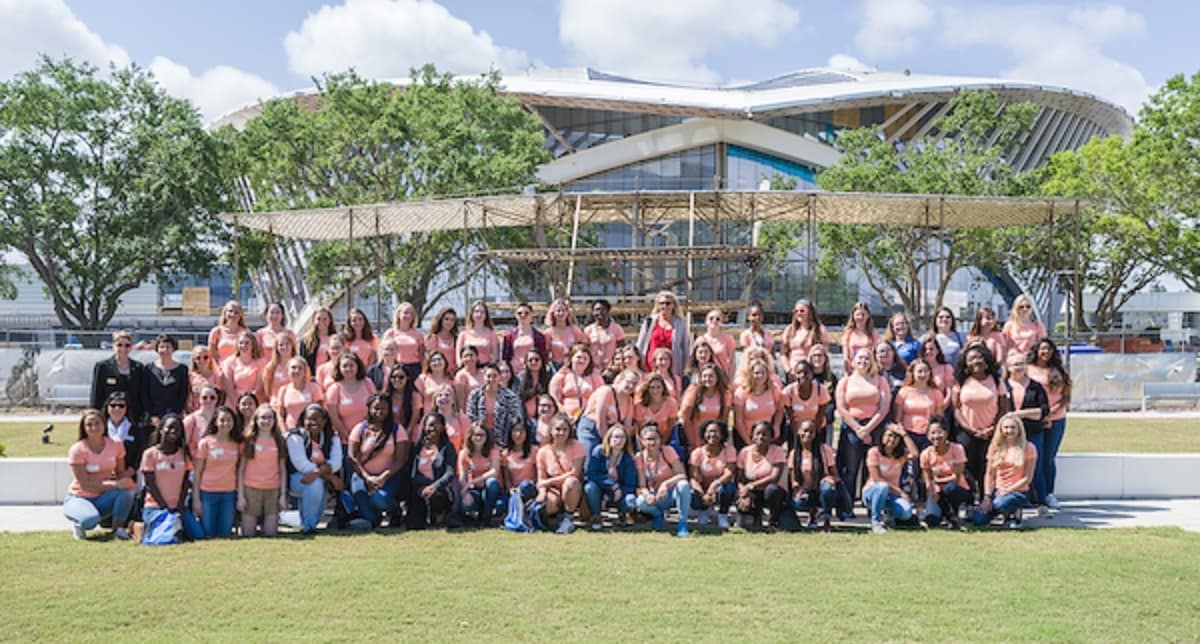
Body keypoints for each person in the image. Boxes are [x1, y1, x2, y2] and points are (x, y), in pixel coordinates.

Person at [64, 409, 136, 540]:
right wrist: (116, 484)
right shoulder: (77, 449)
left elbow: (120, 473)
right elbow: (85, 485)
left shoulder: (116, 445)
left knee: (127, 491)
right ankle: (79, 523)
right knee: (90, 520)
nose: (94, 427)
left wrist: (127, 480)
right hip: (80, 497)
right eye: (89, 425)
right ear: (83, 428)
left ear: (104, 424)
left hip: (103, 497)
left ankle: (118, 529)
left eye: (97, 423)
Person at [835, 348, 891, 501]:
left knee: (871, 466)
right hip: (852, 427)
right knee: (850, 467)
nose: (863, 361)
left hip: (874, 426)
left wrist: (868, 429)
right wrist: (858, 429)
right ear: (853, 362)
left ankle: (870, 501)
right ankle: (847, 503)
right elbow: (841, 408)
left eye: (867, 358)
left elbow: (884, 408)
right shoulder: (845, 381)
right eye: (859, 358)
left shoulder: (880, 380)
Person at [952, 344, 1004, 500]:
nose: (976, 361)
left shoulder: (996, 381)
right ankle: (968, 500)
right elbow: (956, 409)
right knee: (967, 467)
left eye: (979, 357)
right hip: (966, 432)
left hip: (991, 433)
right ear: (966, 363)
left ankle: (985, 500)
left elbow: (1003, 407)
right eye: (971, 359)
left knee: (986, 467)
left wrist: (993, 428)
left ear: (986, 360)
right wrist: (970, 429)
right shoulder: (961, 382)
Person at [140, 413, 202, 541]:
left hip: (178, 507)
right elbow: (150, 484)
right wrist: (165, 507)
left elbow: (185, 483)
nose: (173, 431)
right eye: (170, 427)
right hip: (156, 506)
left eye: (177, 429)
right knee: (167, 537)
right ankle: (139, 528)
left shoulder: (184, 454)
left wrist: (179, 506)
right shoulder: (150, 454)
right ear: (161, 429)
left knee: (198, 535)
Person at [1026, 338, 1070, 510]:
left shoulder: (1058, 370)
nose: (1046, 352)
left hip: (1056, 419)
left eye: (1049, 349)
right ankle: (1035, 495)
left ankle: (1049, 494)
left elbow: (1065, 396)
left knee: (1048, 459)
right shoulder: (1028, 369)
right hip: (1034, 419)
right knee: (1035, 458)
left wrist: (1050, 414)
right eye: (1042, 349)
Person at [286, 404, 344, 534]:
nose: (314, 422)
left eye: (318, 418)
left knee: (317, 484)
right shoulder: (295, 436)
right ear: (303, 420)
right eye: (310, 419)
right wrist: (329, 476)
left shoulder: (332, 437)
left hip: (317, 478)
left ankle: (288, 518)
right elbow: (301, 464)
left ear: (325, 420)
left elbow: (336, 462)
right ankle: (308, 528)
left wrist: (318, 473)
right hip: (297, 478)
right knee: (316, 483)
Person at [973, 413, 1038, 529]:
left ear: (1019, 429)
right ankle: (1001, 512)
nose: (1009, 431)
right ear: (1001, 429)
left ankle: (1013, 514)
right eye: (1006, 427)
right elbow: (989, 474)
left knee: (999, 503)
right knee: (978, 520)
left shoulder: (1029, 447)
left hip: (1018, 491)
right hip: (997, 490)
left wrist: (1007, 490)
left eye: (1013, 427)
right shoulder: (995, 447)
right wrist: (987, 497)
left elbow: (1027, 478)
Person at [633, 422, 692, 537]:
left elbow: (682, 475)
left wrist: (666, 484)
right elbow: (642, 485)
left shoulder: (667, 451)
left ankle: (682, 523)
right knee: (640, 502)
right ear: (642, 441)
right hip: (655, 495)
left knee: (683, 485)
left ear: (660, 440)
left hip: (671, 493)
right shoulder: (639, 457)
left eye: (655, 438)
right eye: (649, 439)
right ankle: (657, 515)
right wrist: (647, 495)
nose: (652, 442)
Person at [192, 406, 243, 539]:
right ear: (215, 422)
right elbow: (197, 473)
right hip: (207, 493)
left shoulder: (237, 444)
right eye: (222, 420)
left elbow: (240, 471)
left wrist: (240, 495)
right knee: (208, 533)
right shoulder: (205, 443)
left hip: (229, 494)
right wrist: (196, 499)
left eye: (229, 420)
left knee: (224, 534)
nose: (226, 423)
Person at [238, 404, 287, 537]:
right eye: (263, 417)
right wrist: (241, 496)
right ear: (256, 420)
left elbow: (282, 470)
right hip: (251, 488)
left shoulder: (279, 440)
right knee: (248, 534)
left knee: (271, 533)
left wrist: (283, 495)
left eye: (270, 417)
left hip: (273, 489)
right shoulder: (249, 440)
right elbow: (241, 469)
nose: (266, 421)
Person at [789, 419, 845, 532]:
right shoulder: (794, 453)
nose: (808, 434)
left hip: (823, 490)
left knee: (827, 489)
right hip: (807, 492)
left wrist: (830, 479)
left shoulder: (824, 450)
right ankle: (812, 514)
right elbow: (793, 480)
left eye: (811, 432)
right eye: (805, 431)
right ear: (798, 432)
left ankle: (826, 520)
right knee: (798, 503)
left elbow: (835, 474)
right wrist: (798, 490)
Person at [536, 413, 586, 534]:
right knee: (548, 504)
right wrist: (542, 494)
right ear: (551, 431)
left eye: (565, 429)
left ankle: (568, 518)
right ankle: (556, 518)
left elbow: (575, 473)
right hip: (554, 490)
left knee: (571, 482)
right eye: (558, 429)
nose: (561, 433)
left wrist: (548, 481)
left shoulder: (577, 446)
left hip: (573, 488)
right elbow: (541, 479)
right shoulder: (543, 451)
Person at [735, 421, 790, 531]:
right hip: (751, 493)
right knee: (744, 523)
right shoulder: (744, 452)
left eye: (765, 434)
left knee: (772, 490)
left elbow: (774, 477)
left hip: (769, 492)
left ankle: (773, 520)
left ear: (771, 437)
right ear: (752, 436)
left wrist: (751, 486)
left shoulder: (778, 451)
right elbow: (739, 478)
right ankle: (756, 516)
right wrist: (743, 493)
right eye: (758, 434)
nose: (761, 437)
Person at [406, 412, 457, 530]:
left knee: (436, 497)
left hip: (440, 489)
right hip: (420, 487)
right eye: (429, 425)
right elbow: (412, 473)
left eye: (436, 424)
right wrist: (425, 485)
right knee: (414, 525)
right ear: (424, 427)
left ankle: (440, 515)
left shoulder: (448, 447)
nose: (432, 428)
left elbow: (449, 473)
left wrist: (434, 486)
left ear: (443, 427)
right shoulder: (417, 448)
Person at [582, 423, 636, 530]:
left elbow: (630, 484)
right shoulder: (599, 451)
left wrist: (615, 492)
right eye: (616, 437)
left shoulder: (628, 458)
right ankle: (597, 516)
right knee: (589, 487)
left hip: (619, 493)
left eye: (622, 437)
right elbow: (592, 474)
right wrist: (612, 485)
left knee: (631, 500)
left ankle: (622, 515)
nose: (619, 440)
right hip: (601, 490)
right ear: (609, 438)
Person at [863, 425, 915, 534]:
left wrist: (904, 434)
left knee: (906, 513)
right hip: (873, 492)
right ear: (882, 436)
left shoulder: (900, 455)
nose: (892, 439)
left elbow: (915, 454)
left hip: (892, 495)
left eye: (896, 437)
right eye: (889, 435)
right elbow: (877, 479)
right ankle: (876, 522)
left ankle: (889, 516)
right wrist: (900, 492)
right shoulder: (874, 452)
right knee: (883, 486)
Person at [575, 368, 638, 458]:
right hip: (592, 428)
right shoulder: (606, 392)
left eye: (634, 384)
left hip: (612, 432)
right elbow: (600, 421)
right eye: (628, 382)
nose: (631, 386)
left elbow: (627, 427)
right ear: (620, 379)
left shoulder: (629, 401)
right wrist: (607, 442)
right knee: (590, 455)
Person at [920, 420, 971, 529]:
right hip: (937, 491)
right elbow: (927, 478)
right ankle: (947, 517)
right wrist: (931, 491)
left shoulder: (957, 449)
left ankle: (956, 516)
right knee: (931, 520)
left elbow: (956, 477)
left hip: (957, 489)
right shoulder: (925, 454)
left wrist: (936, 482)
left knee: (950, 488)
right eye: (932, 433)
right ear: (928, 436)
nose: (936, 436)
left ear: (946, 433)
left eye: (939, 432)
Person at [90, 329, 146, 427]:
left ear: (131, 347)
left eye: (127, 345)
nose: (123, 348)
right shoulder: (103, 367)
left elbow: (142, 394)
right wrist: (95, 415)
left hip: (133, 418)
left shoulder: (138, 367)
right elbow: (96, 394)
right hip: (109, 418)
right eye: (119, 345)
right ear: (113, 346)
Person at [687, 419, 736, 529]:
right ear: (704, 434)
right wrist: (703, 495)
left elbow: (729, 473)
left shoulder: (729, 450)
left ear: (722, 434)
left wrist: (714, 485)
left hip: (720, 486)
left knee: (729, 488)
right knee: (693, 493)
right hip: (703, 487)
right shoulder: (697, 452)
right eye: (709, 431)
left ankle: (723, 515)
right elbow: (693, 478)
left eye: (716, 431)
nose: (712, 435)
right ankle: (703, 511)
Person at [893, 358, 946, 453]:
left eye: (926, 371)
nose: (923, 374)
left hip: (928, 435)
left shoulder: (936, 393)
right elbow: (898, 418)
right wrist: (903, 435)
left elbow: (939, 419)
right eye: (920, 371)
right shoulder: (903, 392)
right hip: (908, 434)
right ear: (912, 373)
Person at [677, 363, 731, 455]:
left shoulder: (724, 394)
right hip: (694, 435)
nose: (707, 379)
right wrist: (692, 442)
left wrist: (720, 441)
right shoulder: (693, 391)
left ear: (717, 377)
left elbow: (724, 420)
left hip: (713, 437)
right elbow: (686, 418)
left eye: (711, 376)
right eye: (704, 376)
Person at [467, 363, 524, 448]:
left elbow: (515, 419)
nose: (491, 379)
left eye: (494, 376)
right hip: (480, 440)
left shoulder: (510, 396)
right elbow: (471, 417)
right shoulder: (475, 395)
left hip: (503, 440)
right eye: (488, 376)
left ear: (499, 377)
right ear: (483, 377)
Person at [636, 291, 690, 379]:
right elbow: (640, 344)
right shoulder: (649, 321)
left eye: (668, 303)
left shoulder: (680, 324)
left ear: (673, 305)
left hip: (672, 369)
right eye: (661, 303)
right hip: (650, 368)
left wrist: (686, 368)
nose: (664, 306)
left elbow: (685, 348)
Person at [457, 422, 502, 526]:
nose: (479, 438)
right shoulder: (464, 453)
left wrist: (472, 481)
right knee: (465, 504)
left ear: (487, 437)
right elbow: (462, 475)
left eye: (482, 435)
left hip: (491, 490)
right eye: (476, 434)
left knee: (491, 482)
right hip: (475, 489)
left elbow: (494, 472)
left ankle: (486, 518)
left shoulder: (493, 450)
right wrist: (465, 492)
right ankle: (475, 517)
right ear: (471, 436)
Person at [325, 352, 376, 443]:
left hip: (369, 438)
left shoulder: (367, 383)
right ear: (339, 368)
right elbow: (334, 418)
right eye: (344, 366)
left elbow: (376, 406)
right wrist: (349, 437)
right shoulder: (334, 389)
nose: (348, 369)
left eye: (351, 365)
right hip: (346, 440)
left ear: (357, 366)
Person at [732, 359, 785, 448]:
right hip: (747, 437)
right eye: (756, 373)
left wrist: (776, 426)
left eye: (763, 373)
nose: (760, 376)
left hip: (767, 437)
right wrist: (748, 441)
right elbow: (738, 420)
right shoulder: (741, 392)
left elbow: (779, 410)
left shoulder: (774, 390)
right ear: (751, 374)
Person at [548, 343, 604, 419]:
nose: (582, 360)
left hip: (588, 417)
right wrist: (564, 414)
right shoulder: (561, 375)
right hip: (565, 417)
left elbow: (601, 399)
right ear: (571, 358)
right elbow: (554, 399)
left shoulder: (595, 377)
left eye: (585, 358)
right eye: (579, 357)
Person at [782, 359, 832, 446]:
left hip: (817, 430)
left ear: (812, 374)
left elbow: (820, 417)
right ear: (794, 374)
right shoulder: (788, 392)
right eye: (799, 372)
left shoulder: (821, 390)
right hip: (796, 430)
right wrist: (799, 436)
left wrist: (812, 435)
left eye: (806, 373)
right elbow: (791, 418)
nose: (802, 375)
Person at [143, 333, 189, 422]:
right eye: (161, 347)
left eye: (168, 347)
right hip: (153, 417)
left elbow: (183, 393)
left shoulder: (182, 369)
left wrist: (176, 414)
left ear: (173, 349)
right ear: (157, 349)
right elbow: (145, 393)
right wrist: (152, 415)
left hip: (174, 416)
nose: (165, 350)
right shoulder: (148, 368)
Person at [272, 357, 324, 430]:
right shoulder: (283, 390)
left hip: (310, 431)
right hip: (290, 431)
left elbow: (320, 412)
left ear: (304, 372)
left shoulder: (314, 388)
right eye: (293, 367)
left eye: (300, 368)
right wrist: (284, 432)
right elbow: (280, 415)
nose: (296, 370)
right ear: (288, 370)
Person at [103, 391, 145, 476]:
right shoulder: (100, 428)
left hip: (129, 474)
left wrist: (132, 470)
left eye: (121, 406)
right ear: (107, 407)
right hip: (102, 473)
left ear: (126, 409)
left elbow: (140, 451)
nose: (117, 408)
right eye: (113, 405)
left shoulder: (135, 430)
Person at [634, 373, 680, 451]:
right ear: (647, 389)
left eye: (658, 387)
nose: (655, 390)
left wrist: (662, 442)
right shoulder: (640, 405)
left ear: (663, 388)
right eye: (652, 387)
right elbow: (639, 428)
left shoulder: (671, 403)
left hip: (665, 435)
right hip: (646, 438)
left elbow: (670, 425)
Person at [781, 299, 828, 374]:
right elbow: (783, 354)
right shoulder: (789, 330)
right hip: (792, 371)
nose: (799, 313)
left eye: (802, 311)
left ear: (810, 312)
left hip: (811, 372)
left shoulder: (819, 330)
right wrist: (788, 370)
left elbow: (824, 353)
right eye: (796, 311)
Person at [381, 302, 425, 381]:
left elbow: (422, 356)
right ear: (399, 314)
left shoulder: (418, 335)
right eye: (405, 313)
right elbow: (383, 354)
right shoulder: (390, 333)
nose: (408, 316)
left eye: (411, 314)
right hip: (396, 368)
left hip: (414, 368)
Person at [221, 330, 266, 406]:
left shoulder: (261, 362)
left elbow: (258, 388)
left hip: (254, 402)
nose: (243, 345)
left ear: (253, 345)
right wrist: (238, 405)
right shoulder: (229, 362)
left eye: (247, 343)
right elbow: (229, 387)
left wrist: (248, 404)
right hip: (233, 402)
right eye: (241, 343)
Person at [543, 298, 591, 370]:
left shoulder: (574, 329)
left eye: (563, 310)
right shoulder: (548, 332)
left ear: (567, 313)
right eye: (558, 311)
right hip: (556, 367)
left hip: (573, 365)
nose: (561, 313)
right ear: (553, 313)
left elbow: (584, 345)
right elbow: (546, 351)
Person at [584, 299, 626, 375]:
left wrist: (614, 366)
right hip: (593, 369)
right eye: (597, 310)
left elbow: (622, 348)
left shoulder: (617, 328)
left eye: (603, 309)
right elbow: (585, 349)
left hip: (612, 369)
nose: (599, 312)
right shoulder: (588, 330)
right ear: (593, 312)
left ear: (608, 311)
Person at [501, 422, 539, 506]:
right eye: (515, 430)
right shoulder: (505, 454)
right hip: (514, 491)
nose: (518, 434)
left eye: (522, 431)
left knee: (525, 485)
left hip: (530, 488)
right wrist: (510, 489)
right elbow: (506, 477)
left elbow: (538, 474)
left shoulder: (534, 450)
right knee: (500, 505)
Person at [503, 302, 547, 373]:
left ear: (531, 315)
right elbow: (505, 358)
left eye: (526, 313)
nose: (523, 315)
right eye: (519, 313)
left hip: (532, 372)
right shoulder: (508, 336)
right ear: (516, 315)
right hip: (514, 372)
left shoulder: (539, 336)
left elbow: (543, 357)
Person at [457, 300, 501, 367]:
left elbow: (495, 357)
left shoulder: (492, 334)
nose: (479, 314)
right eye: (476, 311)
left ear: (486, 315)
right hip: (468, 369)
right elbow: (459, 358)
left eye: (482, 312)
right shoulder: (463, 335)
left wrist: (488, 369)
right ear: (472, 314)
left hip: (485, 369)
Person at [1002, 294, 1047, 359]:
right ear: (1016, 308)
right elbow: (1004, 345)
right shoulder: (1009, 325)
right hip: (1014, 360)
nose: (1025, 309)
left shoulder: (1038, 326)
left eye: (1028, 306)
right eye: (1021, 307)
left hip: (1031, 359)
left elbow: (1043, 345)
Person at [807, 344, 838, 438]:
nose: (817, 358)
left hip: (826, 420)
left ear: (825, 358)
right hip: (808, 419)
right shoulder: (805, 376)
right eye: (815, 355)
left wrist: (825, 414)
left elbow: (834, 400)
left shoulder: (831, 378)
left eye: (820, 355)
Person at [414, 350, 453, 421]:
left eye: (439, 359)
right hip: (428, 418)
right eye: (433, 360)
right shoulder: (422, 379)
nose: (437, 362)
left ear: (445, 362)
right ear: (429, 364)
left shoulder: (451, 379)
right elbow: (416, 403)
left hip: (448, 419)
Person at [429, 384, 471, 451]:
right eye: (440, 395)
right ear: (435, 401)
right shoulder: (429, 419)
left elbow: (467, 444)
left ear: (453, 400)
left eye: (447, 395)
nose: (443, 397)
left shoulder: (462, 419)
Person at [515, 349, 552, 424]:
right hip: (523, 419)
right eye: (530, 360)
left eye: (536, 359)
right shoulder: (520, 378)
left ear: (542, 361)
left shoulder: (548, 378)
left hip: (544, 419)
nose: (533, 362)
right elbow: (517, 399)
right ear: (526, 362)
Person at [261, 330, 299, 403]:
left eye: (287, 344)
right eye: (281, 345)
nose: (284, 347)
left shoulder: (300, 364)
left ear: (292, 346)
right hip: (276, 403)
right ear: (276, 348)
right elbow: (267, 389)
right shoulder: (271, 367)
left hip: (295, 402)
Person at [697, 309, 737, 377]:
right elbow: (696, 363)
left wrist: (730, 379)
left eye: (718, 319)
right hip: (705, 378)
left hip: (722, 377)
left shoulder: (728, 339)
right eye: (711, 318)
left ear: (721, 322)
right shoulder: (700, 340)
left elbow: (732, 362)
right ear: (706, 321)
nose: (714, 320)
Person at [840, 302, 878, 372]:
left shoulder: (873, 333)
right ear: (853, 316)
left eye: (863, 314)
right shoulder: (848, 332)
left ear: (868, 316)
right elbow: (845, 355)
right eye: (858, 315)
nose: (860, 317)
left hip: (868, 369)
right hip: (852, 369)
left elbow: (875, 353)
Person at [186, 344, 225, 412]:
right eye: (198, 358)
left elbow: (222, 396)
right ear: (194, 360)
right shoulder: (190, 376)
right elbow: (188, 396)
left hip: (213, 413)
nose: (202, 360)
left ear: (210, 359)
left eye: (205, 357)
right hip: (195, 412)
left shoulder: (218, 376)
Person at [300, 306, 338, 374]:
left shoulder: (337, 339)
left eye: (325, 319)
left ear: (330, 320)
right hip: (312, 377)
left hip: (331, 375)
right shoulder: (306, 340)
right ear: (314, 320)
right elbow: (303, 361)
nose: (321, 322)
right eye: (318, 319)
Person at [184, 384, 220, 456]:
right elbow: (184, 444)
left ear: (217, 400)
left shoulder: (221, 418)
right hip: (195, 459)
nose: (208, 400)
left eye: (212, 397)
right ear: (199, 399)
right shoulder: (190, 420)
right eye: (204, 397)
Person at [424, 307, 460, 374]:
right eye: (446, 319)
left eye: (452, 320)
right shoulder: (432, 338)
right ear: (441, 320)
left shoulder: (457, 339)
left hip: (453, 375)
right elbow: (428, 359)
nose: (449, 322)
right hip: (437, 375)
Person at [383, 364, 415, 430]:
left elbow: (414, 418)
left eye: (401, 377)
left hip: (407, 430)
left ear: (407, 378)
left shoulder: (414, 396)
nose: (397, 379)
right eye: (394, 377)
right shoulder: (386, 395)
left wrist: (406, 433)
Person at [454, 345, 483, 409]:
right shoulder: (461, 375)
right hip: (470, 411)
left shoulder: (483, 373)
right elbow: (460, 402)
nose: (469, 358)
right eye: (465, 356)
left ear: (477, 357)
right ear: (461, 359)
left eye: (471, 355)